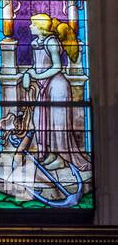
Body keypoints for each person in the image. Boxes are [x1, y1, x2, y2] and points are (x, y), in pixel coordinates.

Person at [19, 12, 90, 172]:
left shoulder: (52, 42)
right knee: (40, 120)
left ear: (40, 27)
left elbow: (57, 66)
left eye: (33, 24)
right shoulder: (37, 42)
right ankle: (49, 154)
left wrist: (37, 75)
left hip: (57, 87)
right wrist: (29, 73)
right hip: (45, 85)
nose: (30, 26)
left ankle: (62, 157)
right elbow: (39, 66)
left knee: (57, 123)